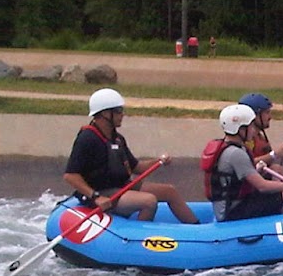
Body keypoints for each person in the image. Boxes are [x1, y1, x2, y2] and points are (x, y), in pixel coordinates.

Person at [62, 87, 199, 223]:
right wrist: (96, 196)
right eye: (118, 111)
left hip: (120, 187)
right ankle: (140, 240)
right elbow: (70, 175)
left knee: (170, 191)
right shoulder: (87, 138)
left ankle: (196, 229)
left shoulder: (117, 138)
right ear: (105, 114)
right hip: (101, 193)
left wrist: (158, 161)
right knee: (148, 201)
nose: (122, 115)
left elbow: (137, 167)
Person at [204, 103, 283, 222]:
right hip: (232, 211)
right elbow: (262, 186)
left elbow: (239, 177)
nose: (254, 130)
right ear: (241, 129)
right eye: (251, 126)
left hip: (236, 203)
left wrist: (257, 170)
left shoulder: (234, 147)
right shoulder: (236, 153)